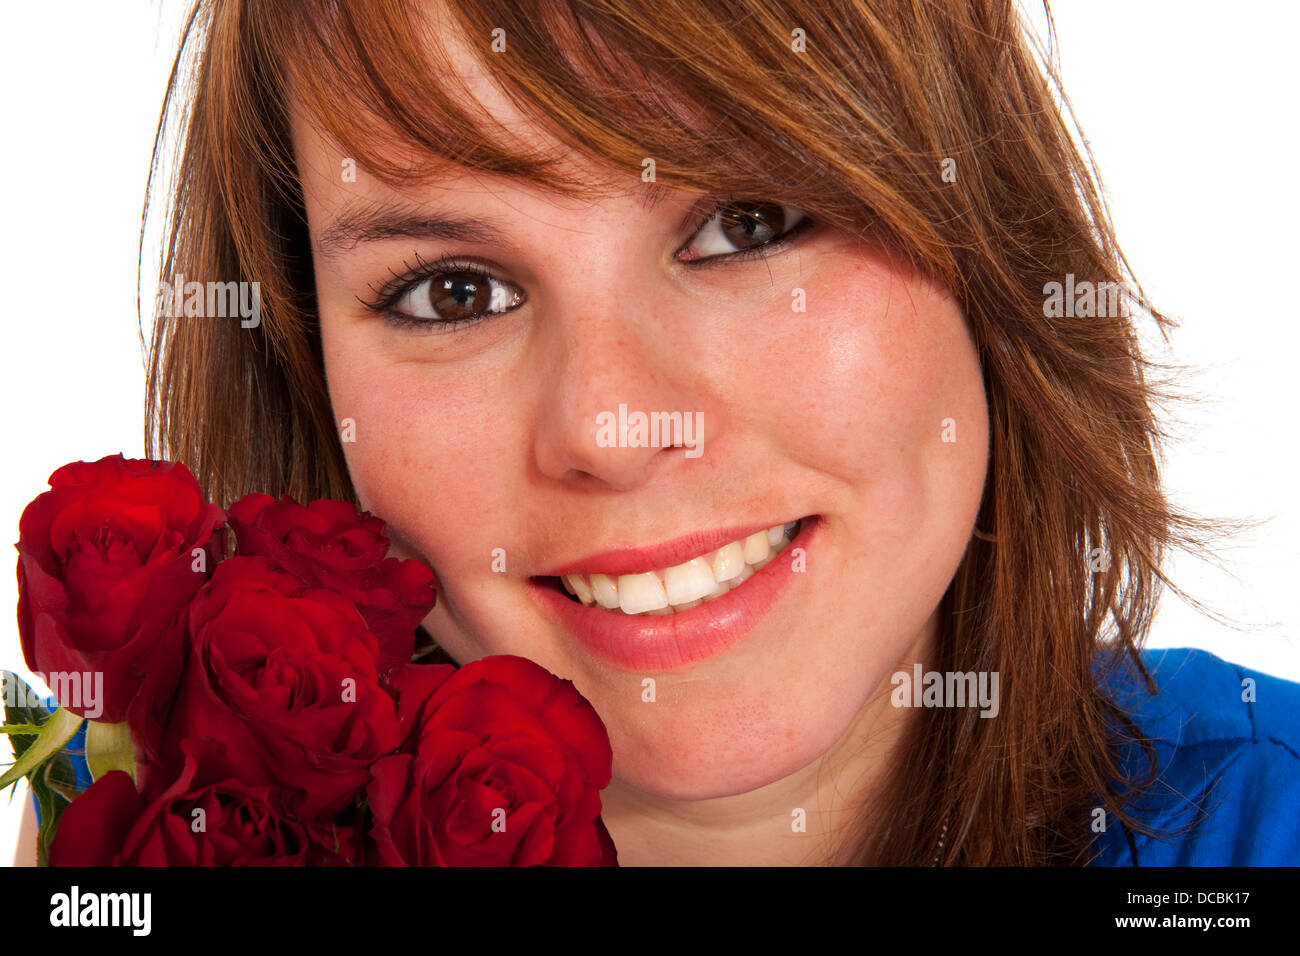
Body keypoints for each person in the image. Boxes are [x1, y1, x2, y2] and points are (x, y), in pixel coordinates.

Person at [19, 0, 1295, 866]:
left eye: (748, 223)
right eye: (454, 291)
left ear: (989, 239)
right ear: (304, 370)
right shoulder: (124, 841)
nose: (610, 427)